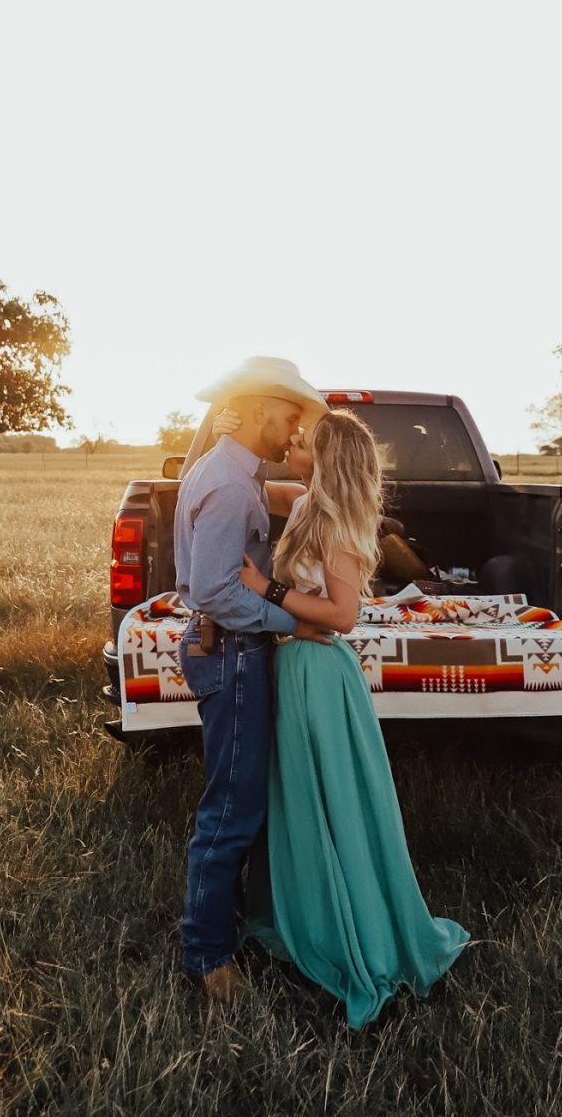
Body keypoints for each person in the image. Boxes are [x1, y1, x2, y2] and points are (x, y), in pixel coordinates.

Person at [229, 406, 470, 1026]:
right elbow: (256, 484)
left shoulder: (339, 524)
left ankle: (352, 931)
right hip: (295, 665)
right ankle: (303, 909)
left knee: (330, 799)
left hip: (319, 677)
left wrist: (268, 591)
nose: (293, 441)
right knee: (302, 797)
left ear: (328, 458)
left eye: (305, 439)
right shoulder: (308, 502)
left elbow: (343, 616)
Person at [176, 356, 331, 1004]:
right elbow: (214, 589)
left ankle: (229, 925)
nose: (293, 428)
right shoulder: (230, 485)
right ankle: (207, 955)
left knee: (241, 801)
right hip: (235, 651)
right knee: (231, 809)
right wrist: (290, 625)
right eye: (290, 415)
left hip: (235, 648)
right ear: (261, 405)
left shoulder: (225, 470)